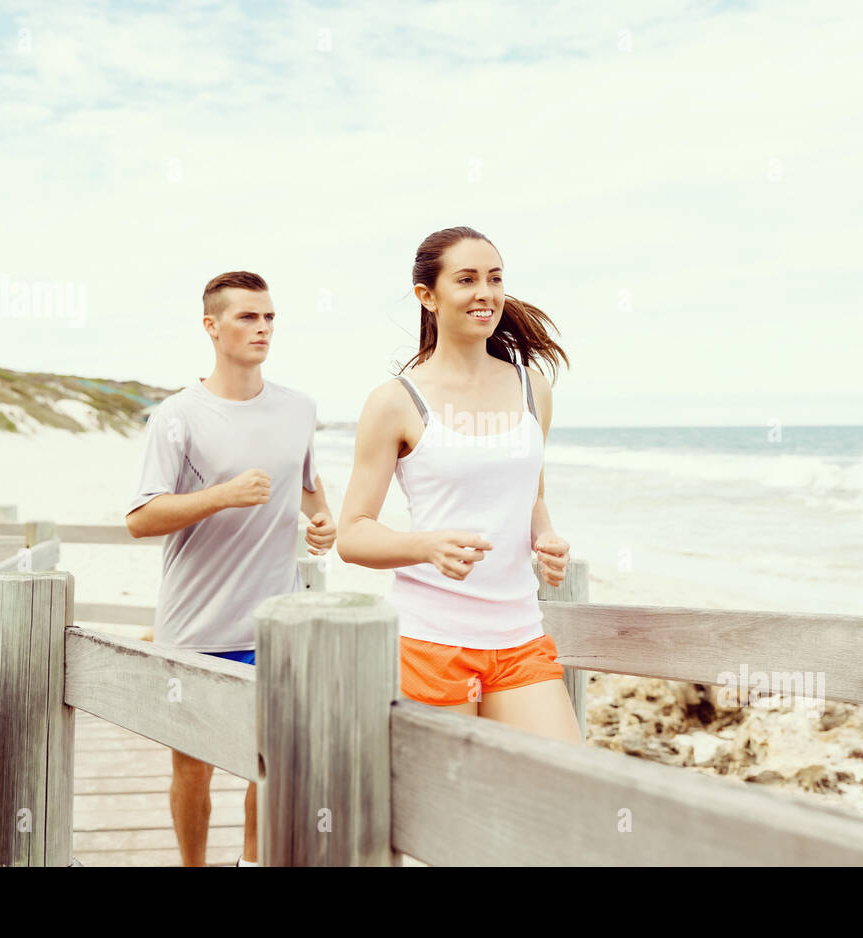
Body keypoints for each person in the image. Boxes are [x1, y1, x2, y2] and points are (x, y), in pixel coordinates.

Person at [336, 226, 579, 744]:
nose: (485, 293)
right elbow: (352, 534)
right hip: (430, 641)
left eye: (494, 278)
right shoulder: (395, 401)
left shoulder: (531, 387)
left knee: (565, 796)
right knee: (442, 811)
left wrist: (546, 538)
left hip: (519, 637)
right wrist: (426, 546)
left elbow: (531, 495)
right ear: (428, 297)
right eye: (466, 279)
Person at [125, 270, 336, 866]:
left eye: (269, 317)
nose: (263, 327)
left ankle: (250, 863)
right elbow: (140, 518)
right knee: (193, 770)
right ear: (211, 326)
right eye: (248, 316)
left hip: (276, 621)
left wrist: (324, 521)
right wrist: (221, 495)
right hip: (195, 626)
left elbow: (307, 485)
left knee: (268, 764)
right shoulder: (177, 416)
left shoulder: (299, 408)